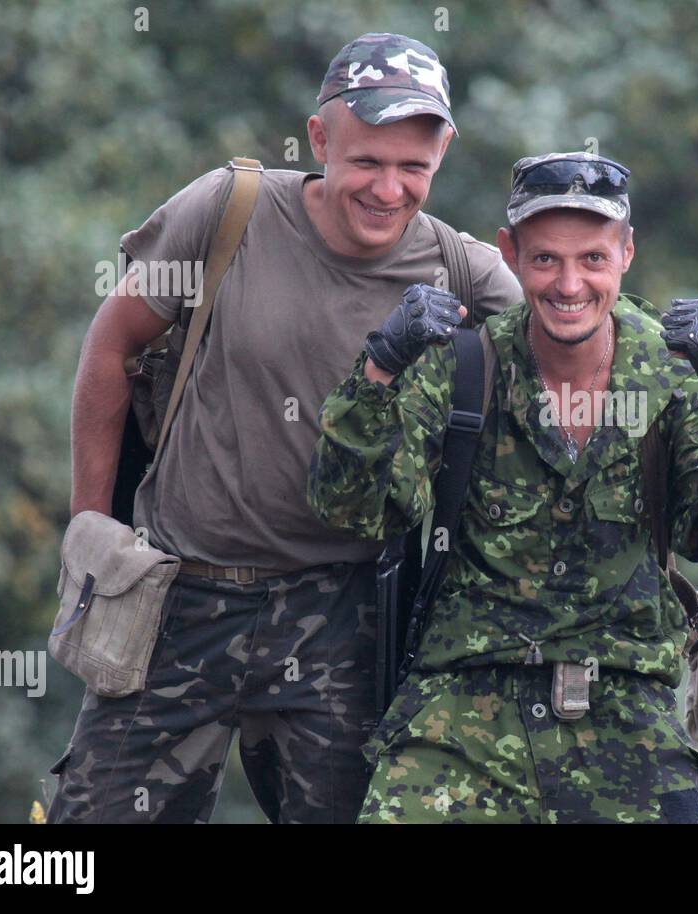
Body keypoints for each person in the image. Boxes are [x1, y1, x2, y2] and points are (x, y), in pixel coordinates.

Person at [50, 33, 520, 823]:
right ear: (320, 140)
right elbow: (112, 345)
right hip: (178, 595)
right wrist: (92, 529)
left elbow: (574, 350)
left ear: (443, 154)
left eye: (413, 167)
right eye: (367, 161)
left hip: (343, 615)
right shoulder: (226, 212)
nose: (389, 188)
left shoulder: (462, 270)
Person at [308, 152, 698, 823]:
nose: (569, 285)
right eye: (544, 260)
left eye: (592, 259)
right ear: (509, 253)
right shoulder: (466, 365)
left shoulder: (671, 373)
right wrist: (381, 369)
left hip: (624, 706)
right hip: (464, 708)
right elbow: (353, 510)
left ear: (626, 253)